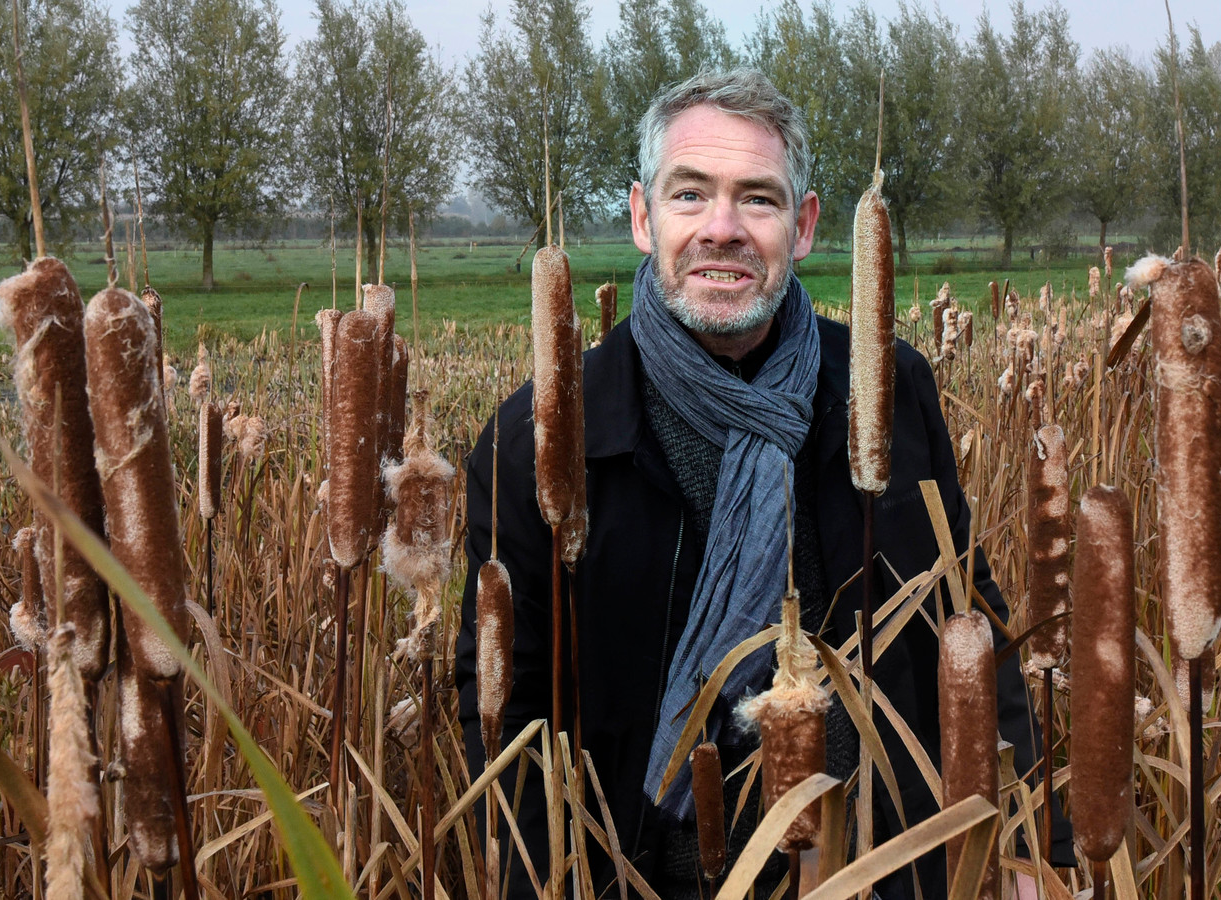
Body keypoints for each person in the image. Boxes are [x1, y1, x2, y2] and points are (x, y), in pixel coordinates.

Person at [456, 68, 1071, 898]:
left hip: (880, 871)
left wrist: (1031, 841)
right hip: (647, 881)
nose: (723, 229)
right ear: (643, 217)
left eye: (758, 199)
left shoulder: (885, 388)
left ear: (805, 224)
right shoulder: (543, 432)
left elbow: (971, 624)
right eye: (690, 195)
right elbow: (501, 703)